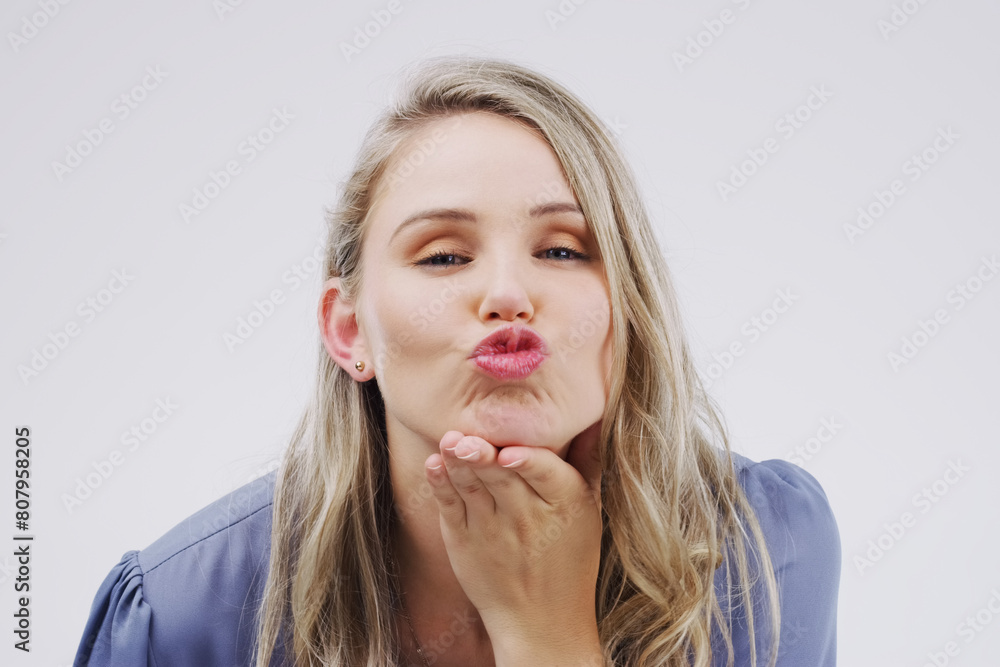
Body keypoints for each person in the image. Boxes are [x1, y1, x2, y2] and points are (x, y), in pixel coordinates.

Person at [74, 55, 840, 666]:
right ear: (350, 332)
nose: (508, 293)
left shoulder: (762, 551)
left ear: (627, 307)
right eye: (443, 256)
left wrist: (547, 638)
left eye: (563, 249)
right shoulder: (177, 616)